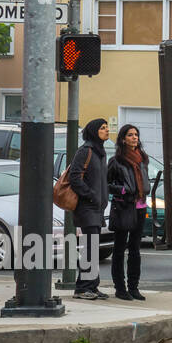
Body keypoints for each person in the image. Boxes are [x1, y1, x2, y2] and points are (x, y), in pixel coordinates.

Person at [68, 118, 110, 300]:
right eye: (103, 128)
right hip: (87, 207)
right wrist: (91, 195)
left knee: (93, 248)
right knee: (90, 248)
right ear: (94, 131)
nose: (107, 130)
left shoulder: (100, 152)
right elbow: (74, 178)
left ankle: (91, 286)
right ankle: (83, 288)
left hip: (97, 208)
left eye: (107, 127)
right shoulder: (85, 151)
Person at [107, 124, 150, 301]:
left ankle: (134, 287)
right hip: (124, 207)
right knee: (119, 249)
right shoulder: (116, 161)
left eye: (136, 135)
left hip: (140, 207)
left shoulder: (143, 158)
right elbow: (107, 184)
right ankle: (120, 288)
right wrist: (122, 190)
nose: (134, 138)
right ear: (123, 139)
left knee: (135, 249)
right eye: (130, 135)